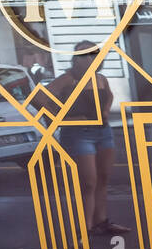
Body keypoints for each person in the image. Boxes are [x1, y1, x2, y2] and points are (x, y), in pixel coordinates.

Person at [34, 41, 131, 238]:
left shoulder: (100, 78)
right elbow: (38, 98)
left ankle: (101, 222)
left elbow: (109, 96)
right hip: (79, 134)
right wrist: (60, 118)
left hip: (103, 133)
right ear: (76, 59)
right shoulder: (68, 79)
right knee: (88, 182)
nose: (88, 59)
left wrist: (104, 110)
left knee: (103, 179)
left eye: (92, 55)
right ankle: (83, 230)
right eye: (83, 55)